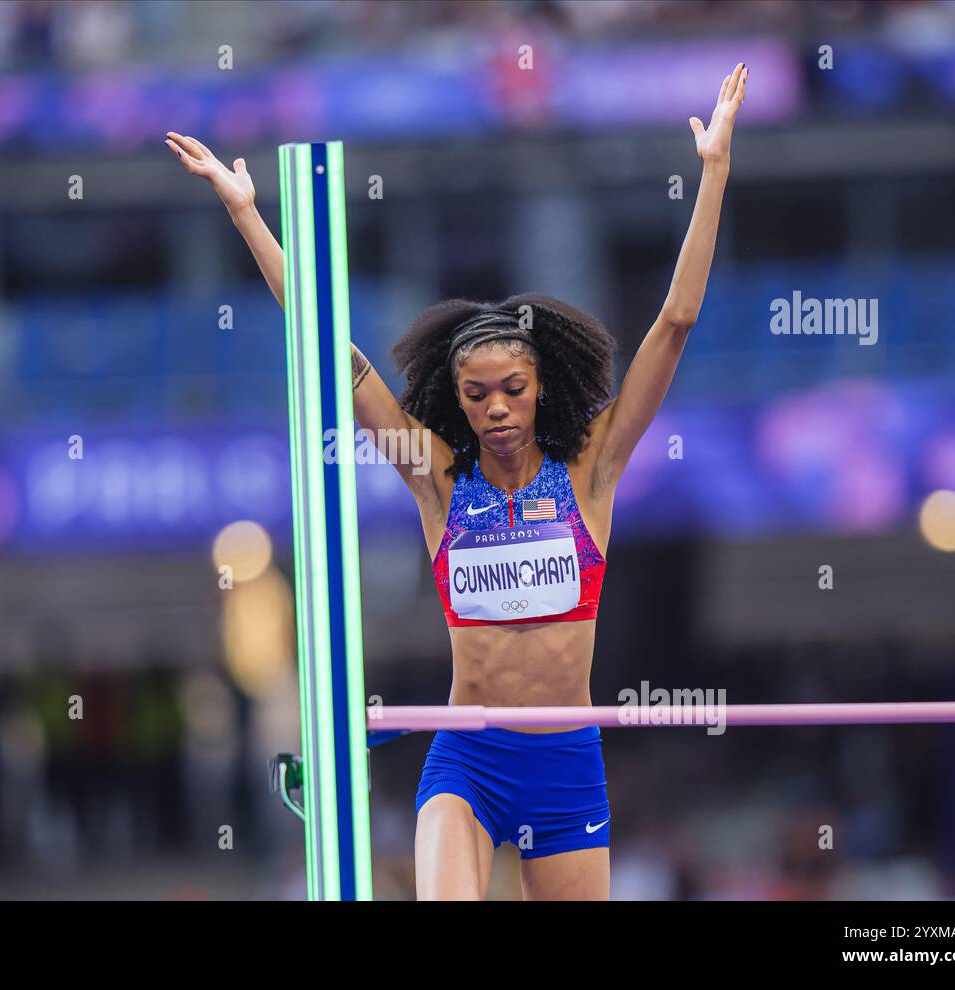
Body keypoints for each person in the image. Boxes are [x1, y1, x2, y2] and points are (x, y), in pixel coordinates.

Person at [167, 61, 748, 900]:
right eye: (477, 397)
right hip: (466, 756)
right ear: (458, 403)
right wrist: (247, 213)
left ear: (541, 385)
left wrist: (716, 170)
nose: (498, 411)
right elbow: (333, 356)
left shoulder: (594, 466)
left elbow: (677, 320)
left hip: (566, 765)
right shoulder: (437, 477)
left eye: (513, 390)